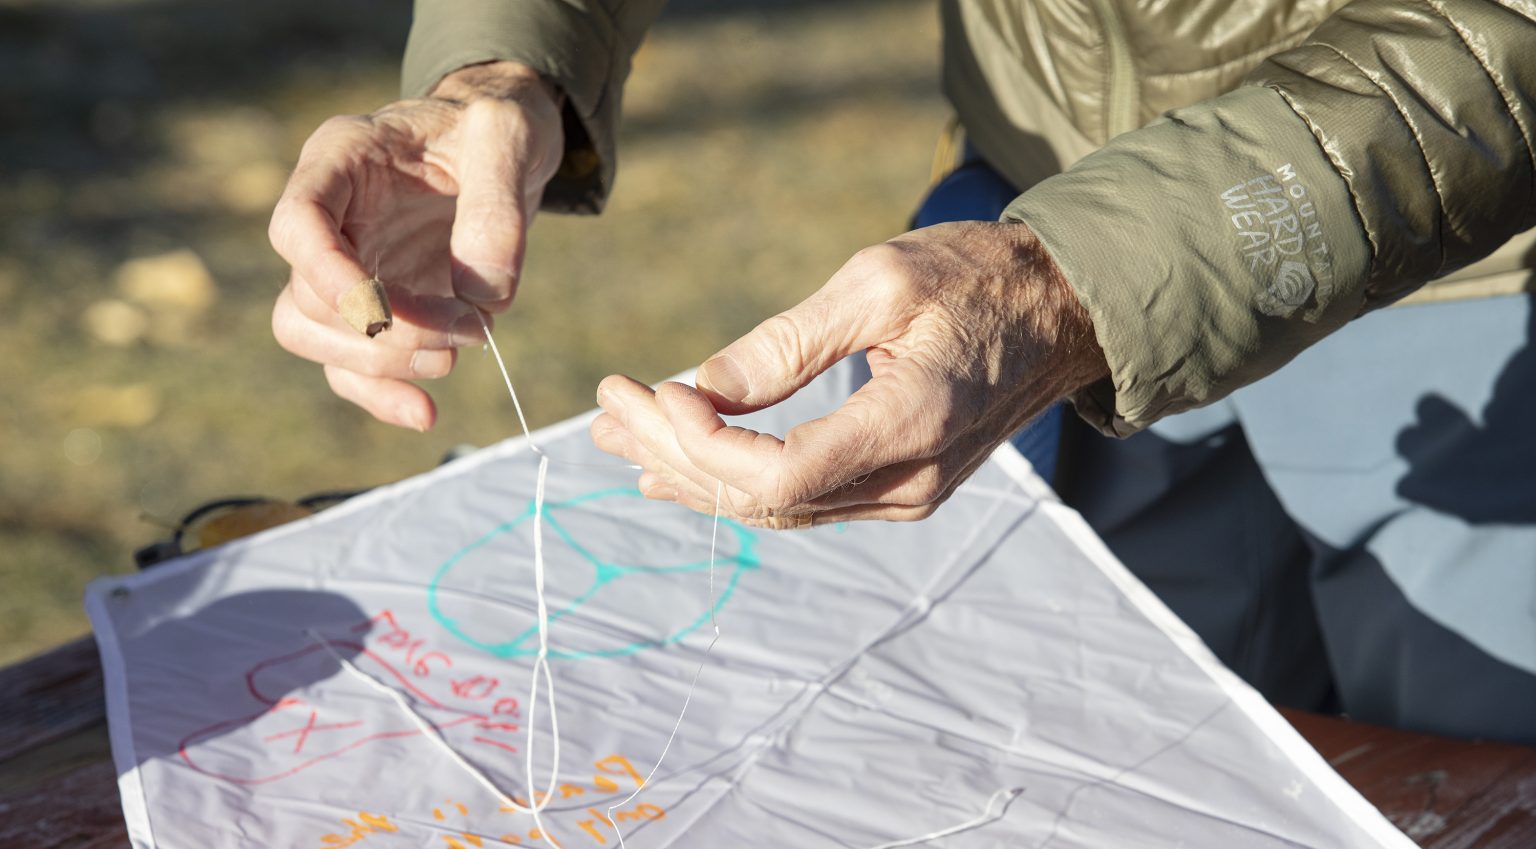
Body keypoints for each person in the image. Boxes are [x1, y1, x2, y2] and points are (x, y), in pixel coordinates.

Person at [268, 0, 1536, 742]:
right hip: (1033, 191)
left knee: (1476, 843)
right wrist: (505, 65)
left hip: (1487, 269)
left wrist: (1080, 273)